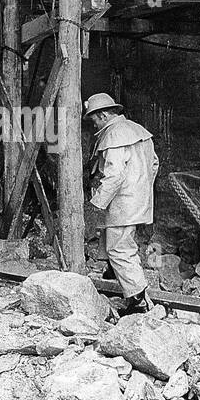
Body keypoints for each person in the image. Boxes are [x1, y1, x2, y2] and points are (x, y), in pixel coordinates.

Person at [84, 93, 159, 315]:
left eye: (94, 119)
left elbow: (114, 175)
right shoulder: (137, 130)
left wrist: (97, 203)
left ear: (104, 115)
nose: (93, 124)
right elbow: (154, 164)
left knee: (119, 248)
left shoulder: (114, 135)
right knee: (114, 239)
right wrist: (142, 187)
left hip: (123, 201)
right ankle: (113, 275)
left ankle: (138, 301)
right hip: (137, 198)